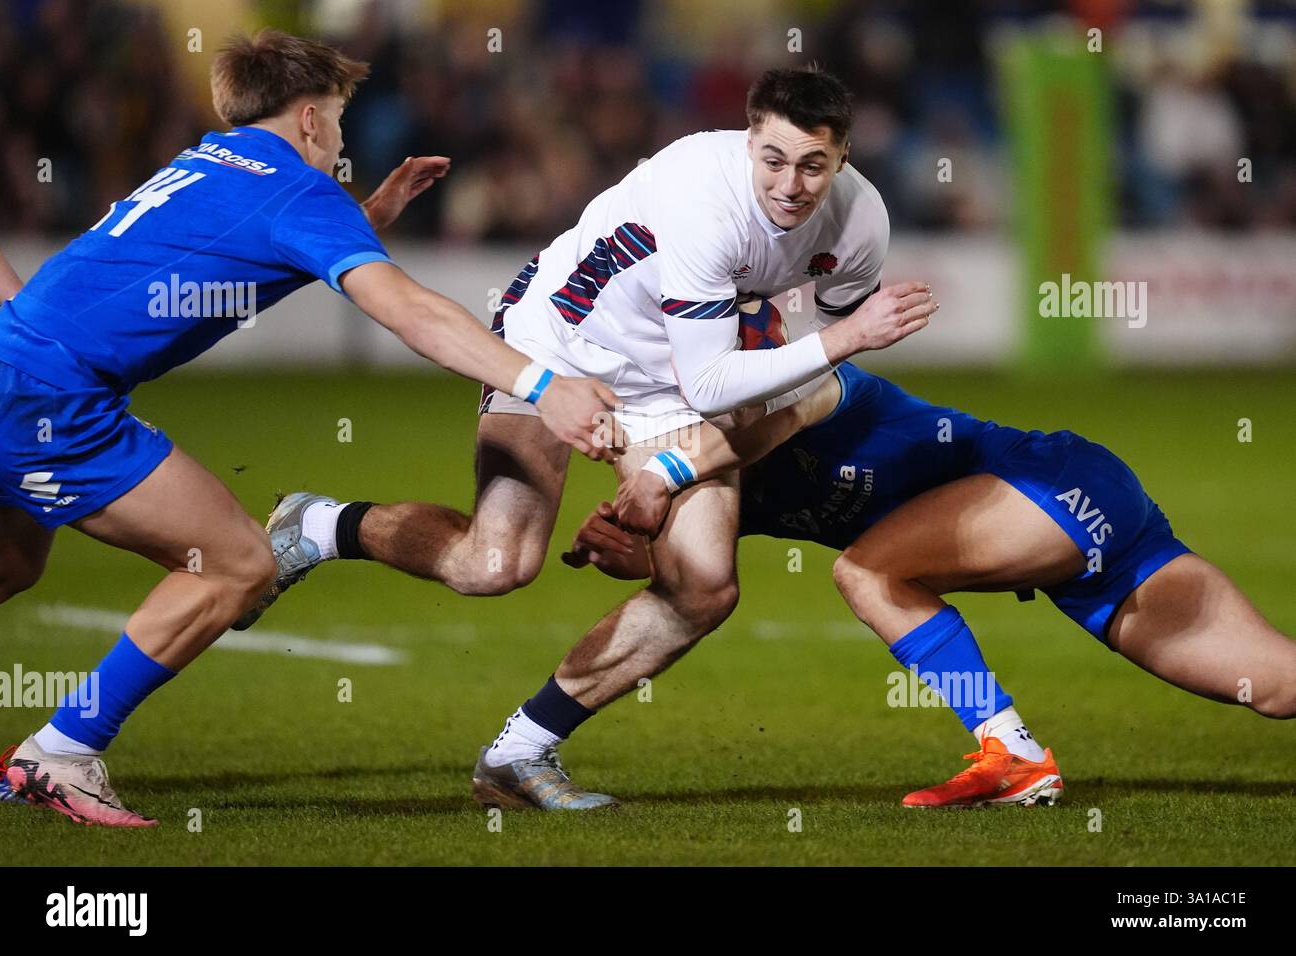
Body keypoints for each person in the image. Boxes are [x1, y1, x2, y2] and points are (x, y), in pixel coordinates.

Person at [240, 66, 936, 809]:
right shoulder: (704, 196)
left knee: (702, 587)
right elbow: (736, 378)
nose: (791, 184)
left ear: (844, 155)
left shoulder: (861, 220)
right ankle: (319, 525)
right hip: (555, 343)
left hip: (670, 372)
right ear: (747, 139)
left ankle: (518, 755)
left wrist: (673, 467)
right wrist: (838, 344)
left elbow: (807, 374)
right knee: (494, 563)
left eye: (813, 165)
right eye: (773, 159)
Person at [0, 29, 614, 828]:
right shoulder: (296, 192)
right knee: (237, 564)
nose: (340, 141)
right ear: (314, 123)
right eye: (340, 125)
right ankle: (63, 754)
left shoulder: (206, 160)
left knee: (10, 561)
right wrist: (540, 383)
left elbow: (235, 245)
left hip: (11, 362)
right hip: (53, 399)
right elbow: (411, 311)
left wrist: (368, 216)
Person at [564, 299, 1296, 807]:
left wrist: (662, 473)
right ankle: (1013, 758)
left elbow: (778, 414)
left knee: (866, 571)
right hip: (1082, 535)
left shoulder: (812, 383)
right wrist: (628, 547)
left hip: (1055, 484)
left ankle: (1011, 755)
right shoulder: (717, 475)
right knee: (1273, 687)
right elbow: (686, 573)